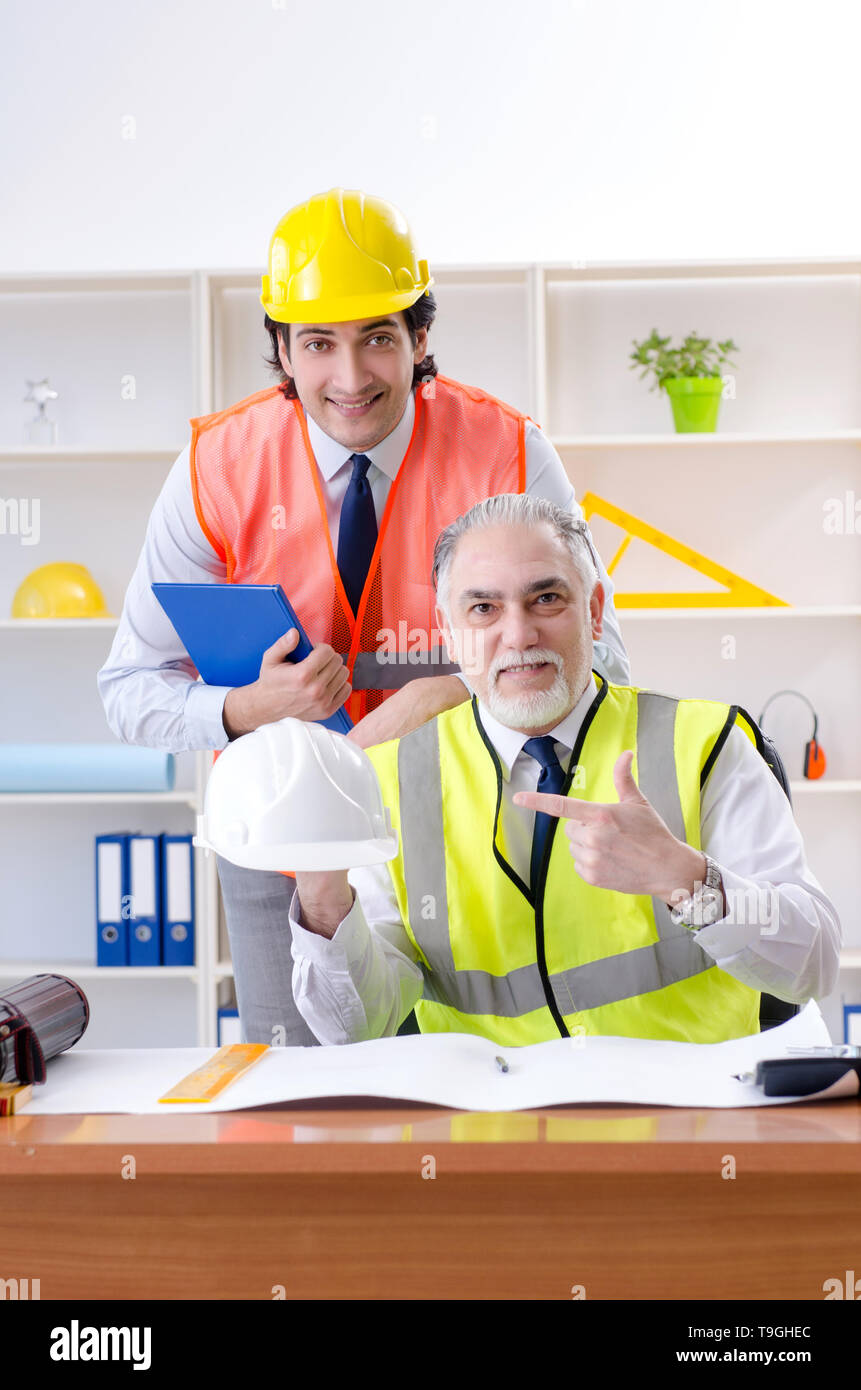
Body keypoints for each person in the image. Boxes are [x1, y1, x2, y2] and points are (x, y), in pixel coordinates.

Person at [97, 189, 630, 1045]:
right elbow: (128, 690)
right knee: (306, 1113)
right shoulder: (216, 466)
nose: (351, 379)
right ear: (281, 348)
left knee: (468, 1095)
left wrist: (453, 693)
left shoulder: (507, 448)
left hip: (471, 823)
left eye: (378, 337)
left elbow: (607, 656)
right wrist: (244, 709)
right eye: (318, 344)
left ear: (420, 337)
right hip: (286, 841)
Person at [289, 493, 841, 1046]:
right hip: (488, 1123)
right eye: (483, 609)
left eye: (546, 598)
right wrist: (321, 895)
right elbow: (356, 1027)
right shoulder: (385, 783)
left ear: (595, 610)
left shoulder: (704, 745)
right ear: (448, 629)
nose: (519, 635)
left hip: (685, 1116)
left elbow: (813, 965)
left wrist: (688, 879)